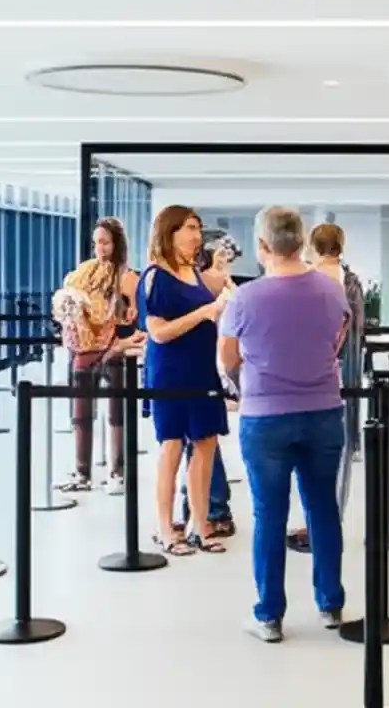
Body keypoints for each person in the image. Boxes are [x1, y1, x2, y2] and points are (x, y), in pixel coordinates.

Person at [219, 206, 349, 643]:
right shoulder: (332, 290)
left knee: (269, 515)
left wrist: (249, 381)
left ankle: (269, 615)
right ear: (303, 242)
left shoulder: (245, 297)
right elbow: (337, 344)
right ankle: (331, 604)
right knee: (322, 509)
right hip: (323, 410)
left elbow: (228, 357)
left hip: (264, 416)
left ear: (261, 246)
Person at [141, 205, 230, 556]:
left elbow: (215, 289)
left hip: (202, 369)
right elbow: (159, 332)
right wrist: (204, 313)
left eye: (198, 228)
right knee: (173, 446)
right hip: (170, 373)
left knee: (206, 442)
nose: (196, 235)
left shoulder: (192, 271)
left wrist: (220, 280)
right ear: (170, 231)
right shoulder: (155, 276)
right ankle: (166, 528)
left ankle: (201, 523)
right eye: (189, 228)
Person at [286, 222, 366, 553]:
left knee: (308, 451)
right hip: (347, 371)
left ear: (311, 246)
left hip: (313, 373)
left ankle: (313, 521)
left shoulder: (308, 280)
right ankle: (331, 519)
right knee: (341, 446)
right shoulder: (352, 281)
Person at [51, 217, 145, 495]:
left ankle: (117, 471)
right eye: (95, 243)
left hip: (116, 351)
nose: (99, 248)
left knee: (117, 414)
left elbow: (135, 317)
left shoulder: (128, 277)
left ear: (116, 244)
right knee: (81, 414)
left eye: (104, 242)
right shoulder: (82, 274)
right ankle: (82, 472)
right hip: (84, 350)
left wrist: (123, 339)